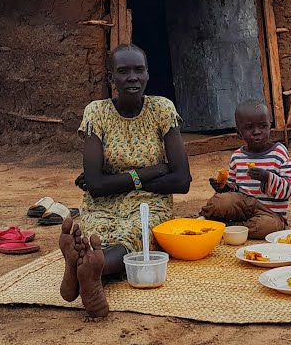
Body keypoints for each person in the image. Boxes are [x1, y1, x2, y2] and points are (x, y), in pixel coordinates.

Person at [59, 44, 192, 318]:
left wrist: (119, 180)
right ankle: (90, 266)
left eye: (139, 70)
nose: (132, 77)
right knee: (99, 233)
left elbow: (181, 180)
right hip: (103, 203)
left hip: (149, 204)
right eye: (123, 71)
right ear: (111, 79)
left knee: (135, 233)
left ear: (147, 75)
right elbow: (95, 185)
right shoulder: (97, 113)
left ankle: (84, 266)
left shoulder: (162, 110)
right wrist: (151, 171)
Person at [198, 101, 291, 239]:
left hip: (270, 213)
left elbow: (289, 189)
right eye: (249, 128)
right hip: (243, 207)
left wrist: (267, 177)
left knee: (267, 227)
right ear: (239, 133)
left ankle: (230, 228)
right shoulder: (237, 156)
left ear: (270, 126)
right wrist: (223, 188)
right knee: (220, 201)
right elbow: (234, 191)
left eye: (263, 126)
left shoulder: (279, 153)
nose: (257, 132)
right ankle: (201, 219)